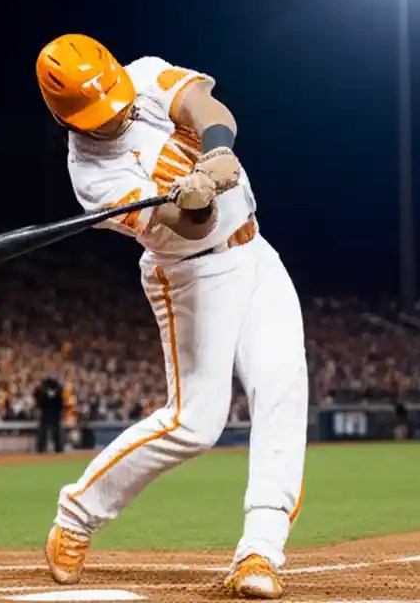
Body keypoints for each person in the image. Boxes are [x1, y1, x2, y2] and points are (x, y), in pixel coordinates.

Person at [36, 35, 308, 599]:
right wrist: (191, 199)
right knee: (194, 424)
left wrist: (215, 150)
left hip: (257, 252)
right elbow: (190, 228)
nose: (116, 118)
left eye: (117, 104)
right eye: (100, 118)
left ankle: (260, 550)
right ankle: (78, 514)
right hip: (192, 275)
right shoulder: (93, 179)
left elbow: (206, 108)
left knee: (282, 387)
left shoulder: (142, 77)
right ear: (69, 121)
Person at [34, 374, 65, 454]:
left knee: (56, 432)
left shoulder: (58, 388)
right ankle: (40, 449)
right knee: (42, 432)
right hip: (45, 413)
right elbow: (36, 395)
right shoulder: (42, 388)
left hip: (54, 413)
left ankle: (58, 449)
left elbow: (61, 400)